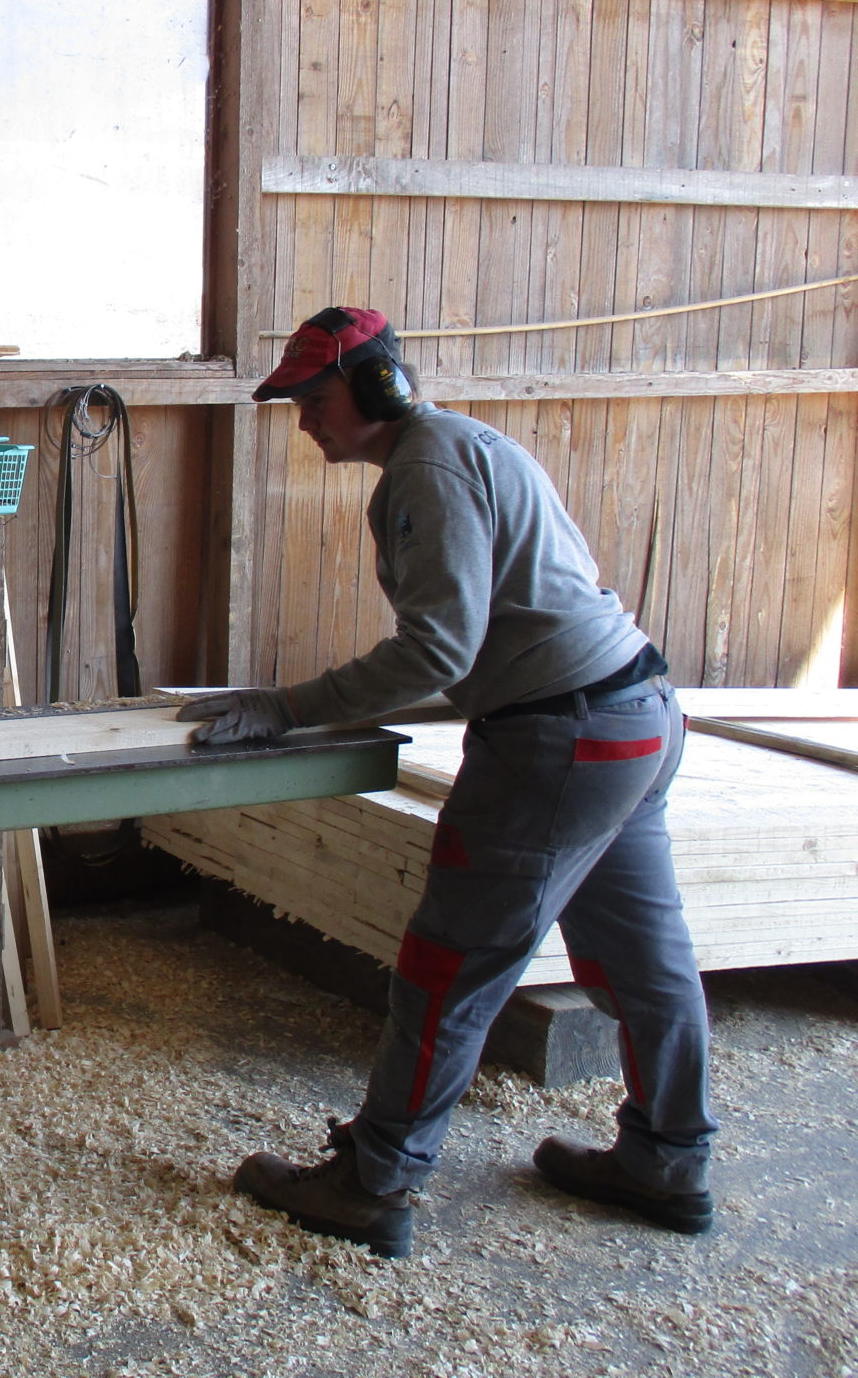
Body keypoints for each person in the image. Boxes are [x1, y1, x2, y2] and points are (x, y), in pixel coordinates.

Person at [180, 306, 717, 1258]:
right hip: (635, 712)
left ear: (378, 384)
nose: (304, 421)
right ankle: (669, 1159)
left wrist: (287, 706)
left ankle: (374, 1179)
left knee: (448, 969)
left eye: (317, 398)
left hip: (559, 741)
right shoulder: (465, 445)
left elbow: (435, 649)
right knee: (642, 958)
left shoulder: (428, 467)